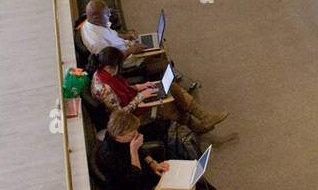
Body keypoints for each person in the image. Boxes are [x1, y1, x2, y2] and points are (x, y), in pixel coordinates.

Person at [95, 110, 246, 190]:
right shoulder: (110, 156)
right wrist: (133, 151)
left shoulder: (116, 138)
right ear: (121, 136)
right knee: (193, 187)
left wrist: (153, 163)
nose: (138, 135)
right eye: (133, 134)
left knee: (194, 180)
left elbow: (141, 152)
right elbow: (135, 180)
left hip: (146, 177)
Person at [90, 46, 227, 135]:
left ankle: (204, 118)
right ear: (110, 66)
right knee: (170, 106)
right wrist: (141, 97)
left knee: (171, 88)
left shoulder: (104, 73)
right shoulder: (104, 89)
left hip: (135, 100)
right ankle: (200, 125)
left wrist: (139, 87)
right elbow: (119, 114)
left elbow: (123, 89)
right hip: (131, 117)